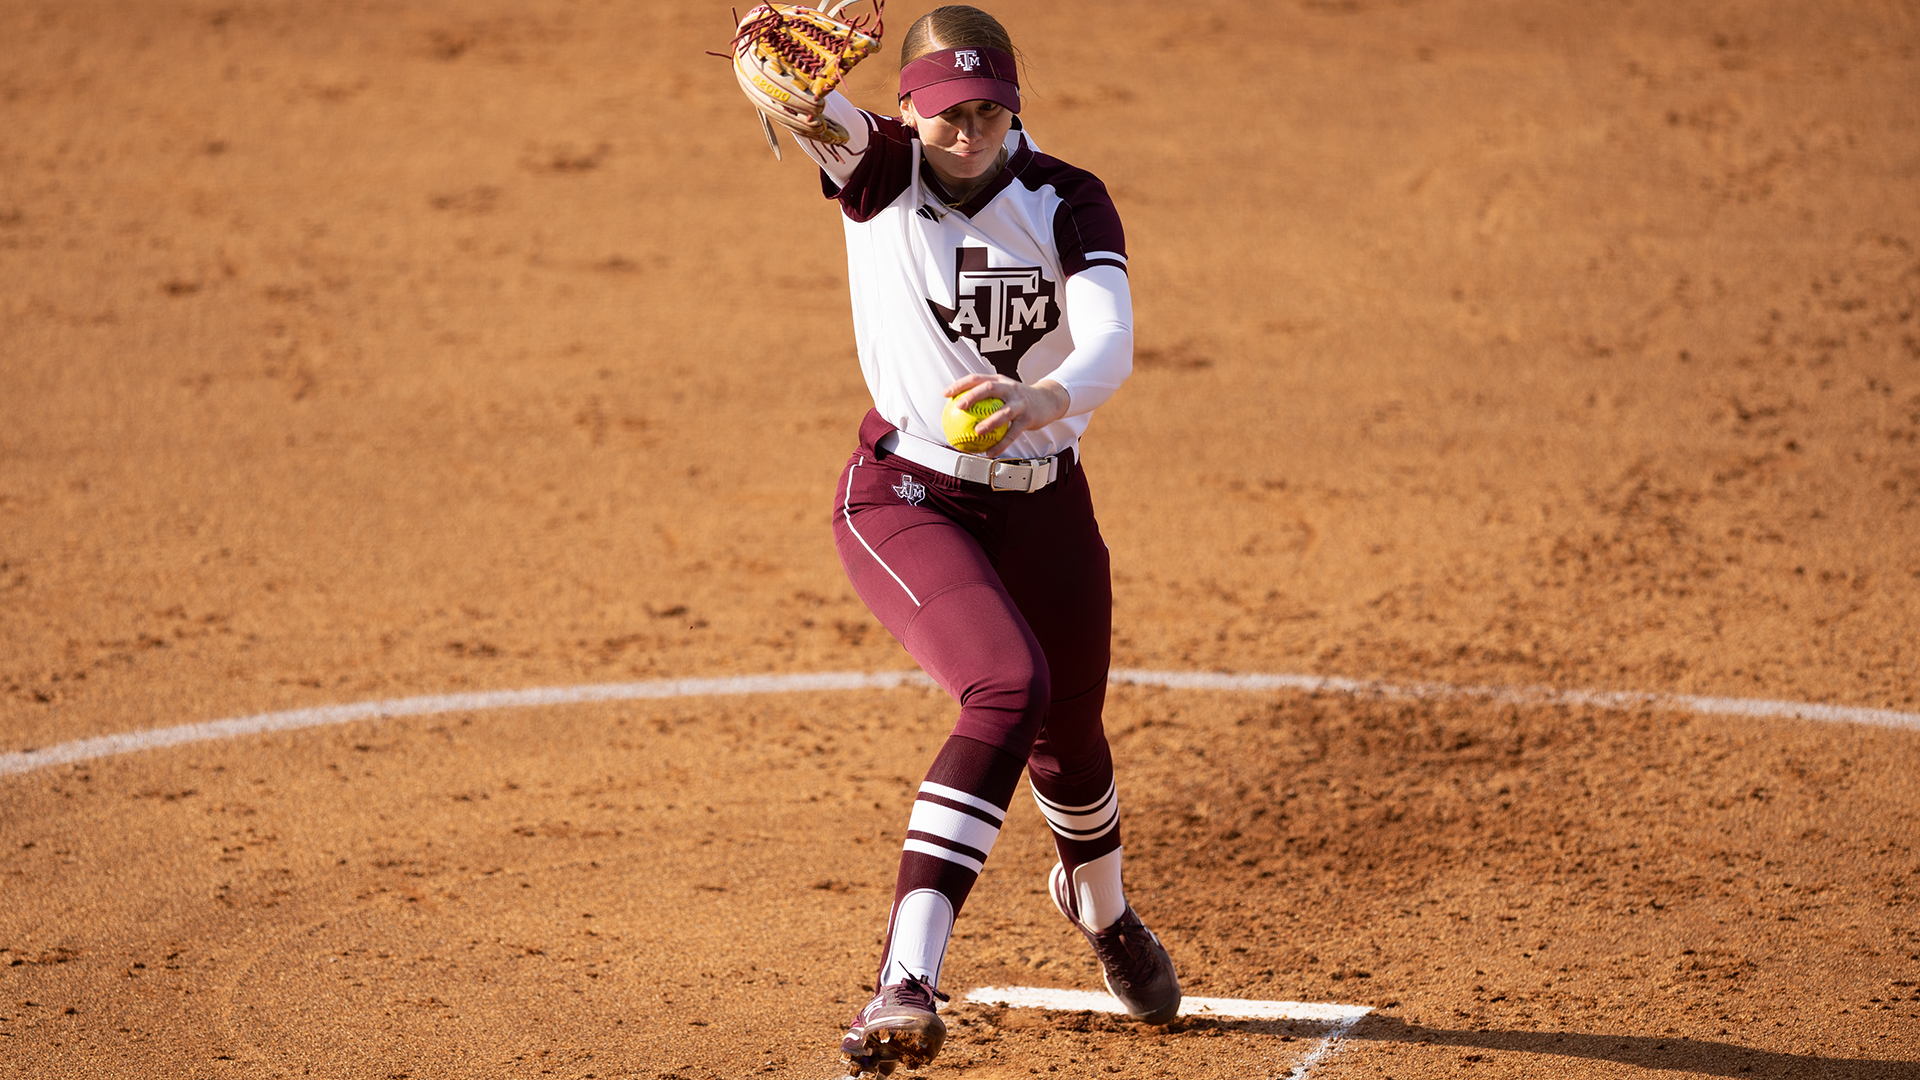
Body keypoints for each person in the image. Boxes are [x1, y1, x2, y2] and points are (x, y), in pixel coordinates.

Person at [758, 6, 1180, 1075]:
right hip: (909, 495)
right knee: (1005, 687)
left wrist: (1041, 400)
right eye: (949, 113)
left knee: (1071, 739)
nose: (970, 131)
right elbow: (808, 110)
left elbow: (1113, 345)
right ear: (910, 105)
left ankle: (1104, 916)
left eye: (990, 110)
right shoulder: (875, 167)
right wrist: (777, 83)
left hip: (1047, 499)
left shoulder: (1067, 196)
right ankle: (905, 982)